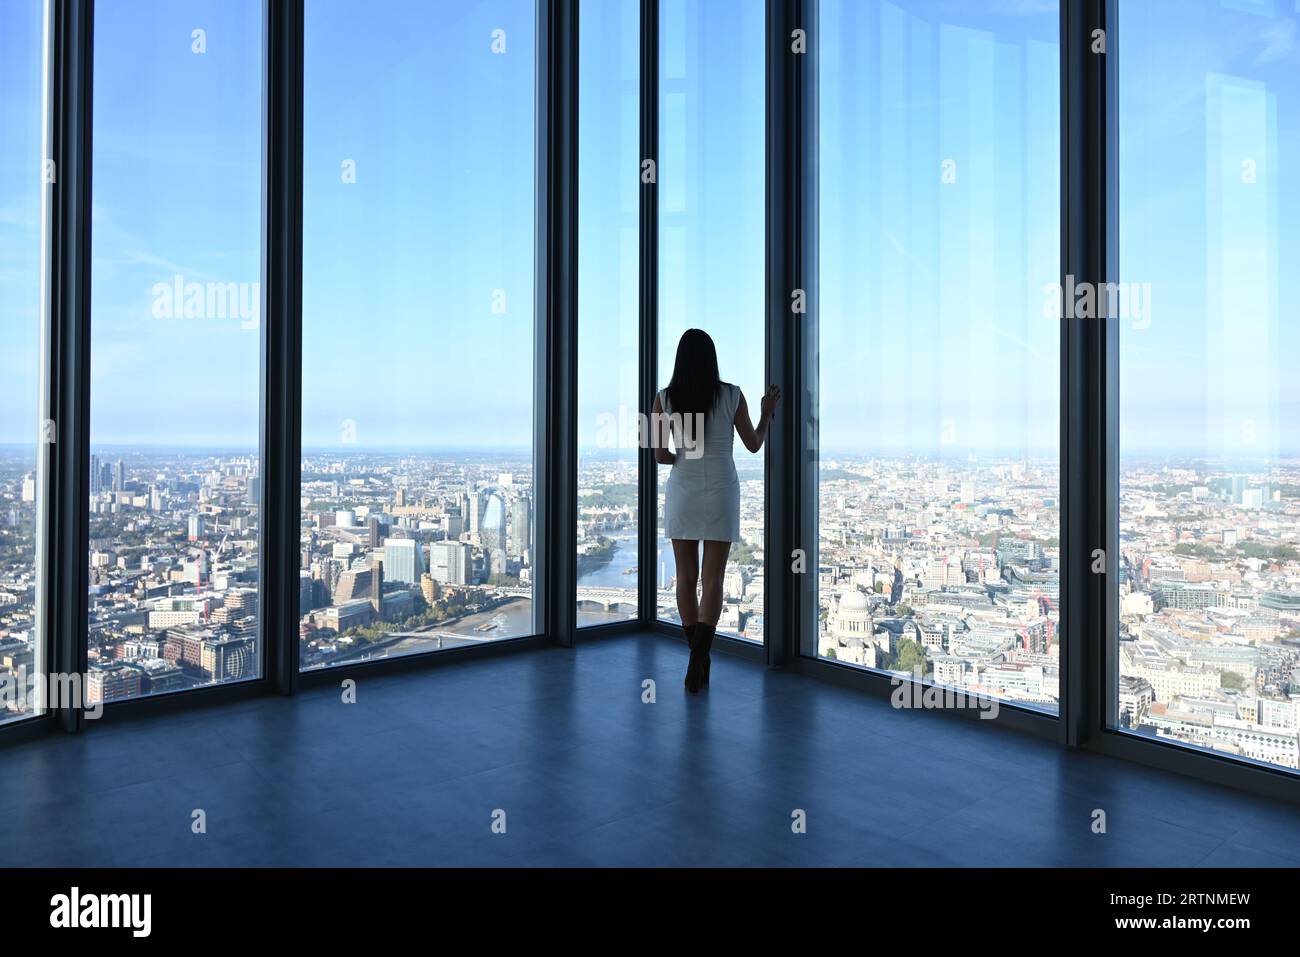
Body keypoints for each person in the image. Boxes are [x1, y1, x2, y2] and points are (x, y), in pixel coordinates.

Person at [651, 328, 780, 693]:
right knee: (714, 579)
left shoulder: (663, 398)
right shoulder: (732, 395)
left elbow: (659, 455)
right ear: (712, 358)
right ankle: (700, 656)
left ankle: (695, 654)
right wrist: (766, 413)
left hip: (683, 491)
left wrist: (685, 458)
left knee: (685, 579)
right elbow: (754, 444)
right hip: (723, 491)